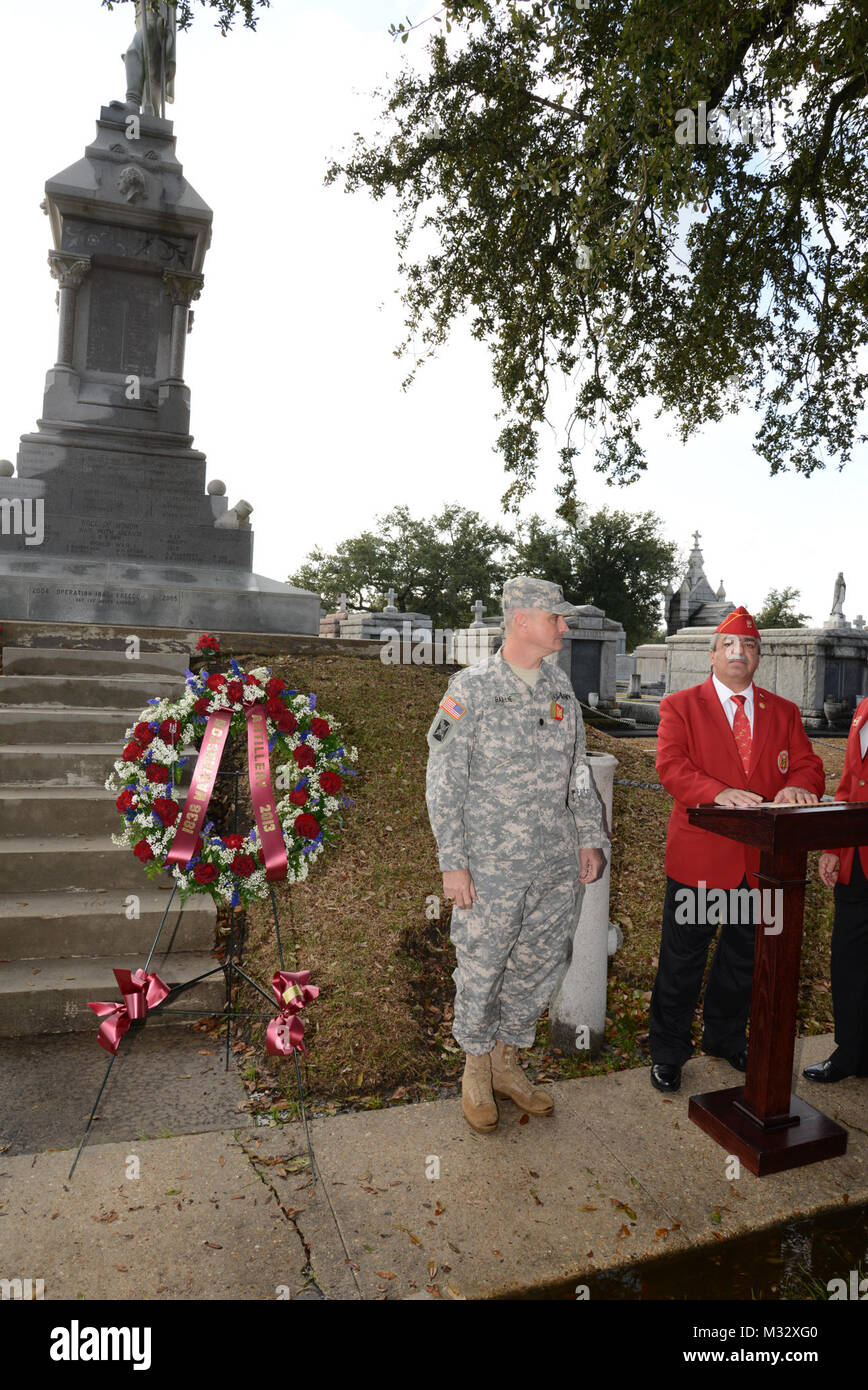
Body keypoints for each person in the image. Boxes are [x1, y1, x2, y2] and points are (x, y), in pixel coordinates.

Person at [425, 576, 608, 1132]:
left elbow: (578, 773)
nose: (565, 626)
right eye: (556, 617)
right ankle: (475, 1068)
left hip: (555, 865)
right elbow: (444, 780)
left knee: (539, 963)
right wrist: (452, 862)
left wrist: (589, 837)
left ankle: (508, 1061)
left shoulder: (559, 690)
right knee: (482, 965)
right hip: (490, 868)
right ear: (522, 620)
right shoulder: (470, 689)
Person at [649, 607, 825, 1093]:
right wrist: (716, 792)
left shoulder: (783, 712)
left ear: (758, 656)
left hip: (761, 867)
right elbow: (672, 768)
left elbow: (808, 765)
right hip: (702, 862)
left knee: (744, 960)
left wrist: (797, 787)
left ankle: (725, 1038)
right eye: (729, 646)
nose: (738, 654)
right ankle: (668, 1050)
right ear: (712, 655)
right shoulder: (681, 706)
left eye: (748, 646)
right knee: (683, 961)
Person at [806, 695, 868, 1082]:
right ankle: (851, 1054)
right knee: (849, 961)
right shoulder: (864, 708)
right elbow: (850, 782)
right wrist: (833, 846)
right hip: (857, 859)